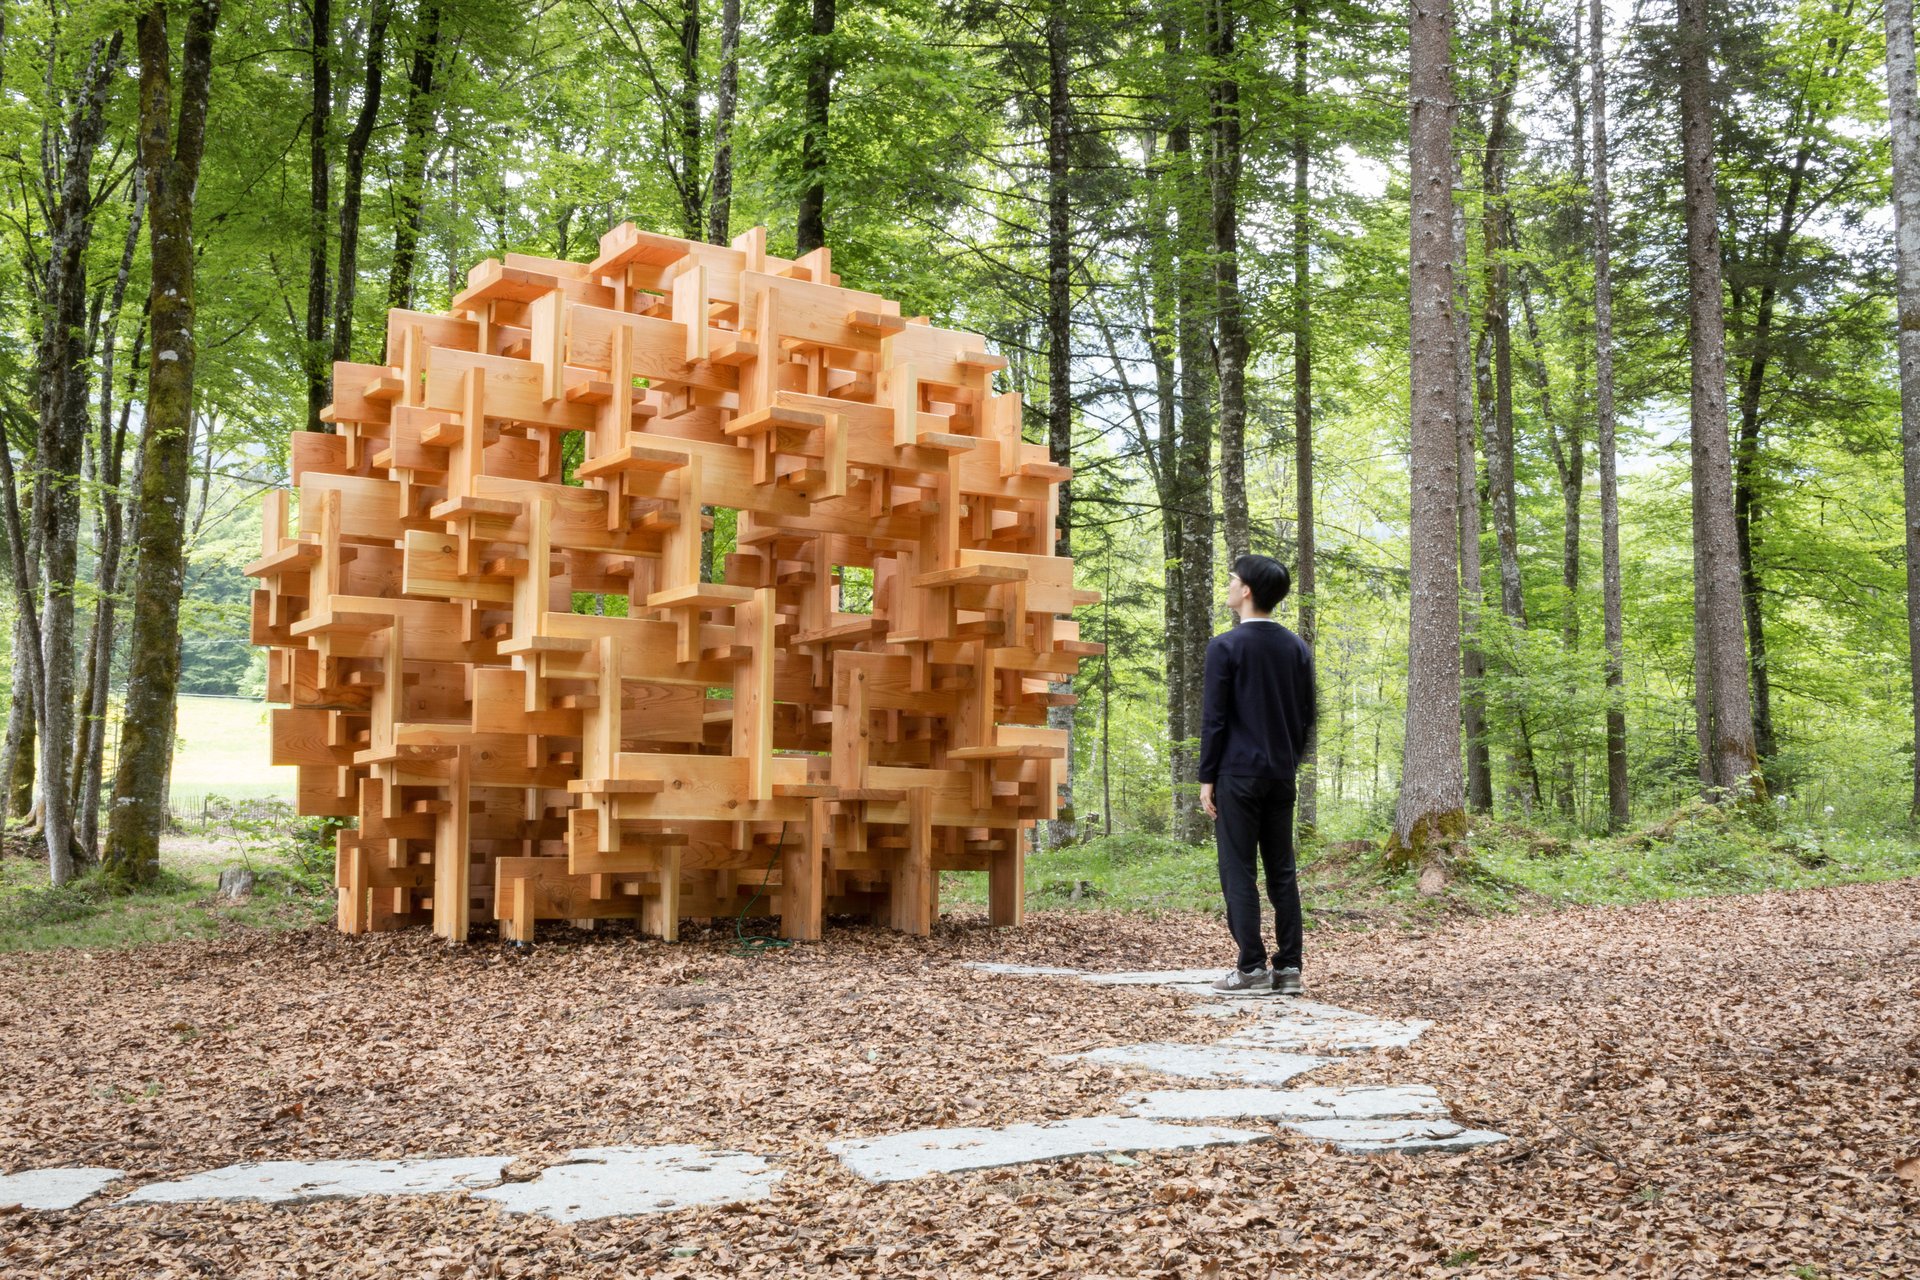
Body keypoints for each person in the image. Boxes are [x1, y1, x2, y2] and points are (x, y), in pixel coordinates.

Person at [1197, 555, 1317, 996]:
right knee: (1281, 870)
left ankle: (1250, 968)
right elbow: (1307, 717)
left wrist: (1207, 776)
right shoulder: (1297, 647)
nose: (1228, 585)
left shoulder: (1225, 647)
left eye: (1232, 579)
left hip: (1237, 774)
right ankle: (1288, 969)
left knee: (1238, 870)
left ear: (1246, 590)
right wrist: (1290, 760)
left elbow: (1215, 719)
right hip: (1280, 775)